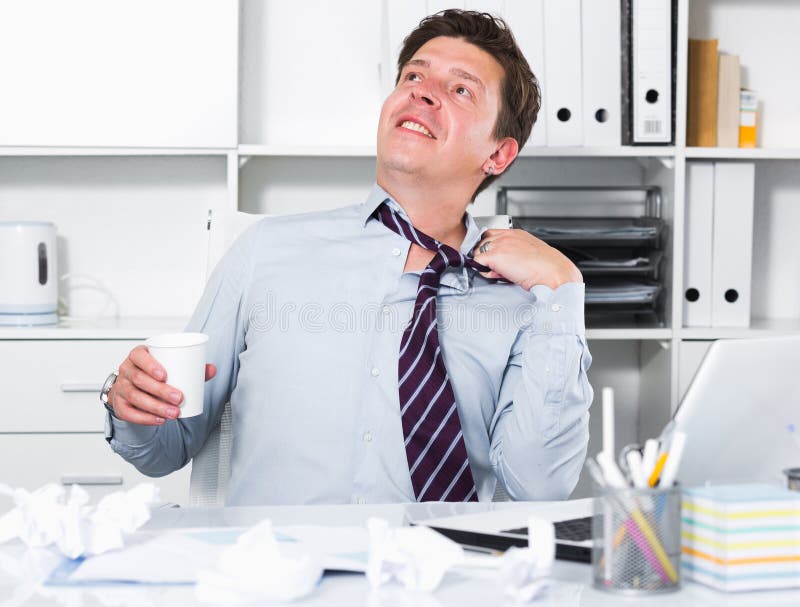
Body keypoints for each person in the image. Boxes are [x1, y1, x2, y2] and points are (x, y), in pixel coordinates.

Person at [102, 9, 593, 505]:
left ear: (498, 155)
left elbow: (538, 486)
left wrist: (564, 288)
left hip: (446, 574)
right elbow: (164, 449)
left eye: (460, 89)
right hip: (283, 571)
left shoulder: (530, 302)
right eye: (413, 76)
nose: (422, 91)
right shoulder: (264, 250)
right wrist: (134, 408)